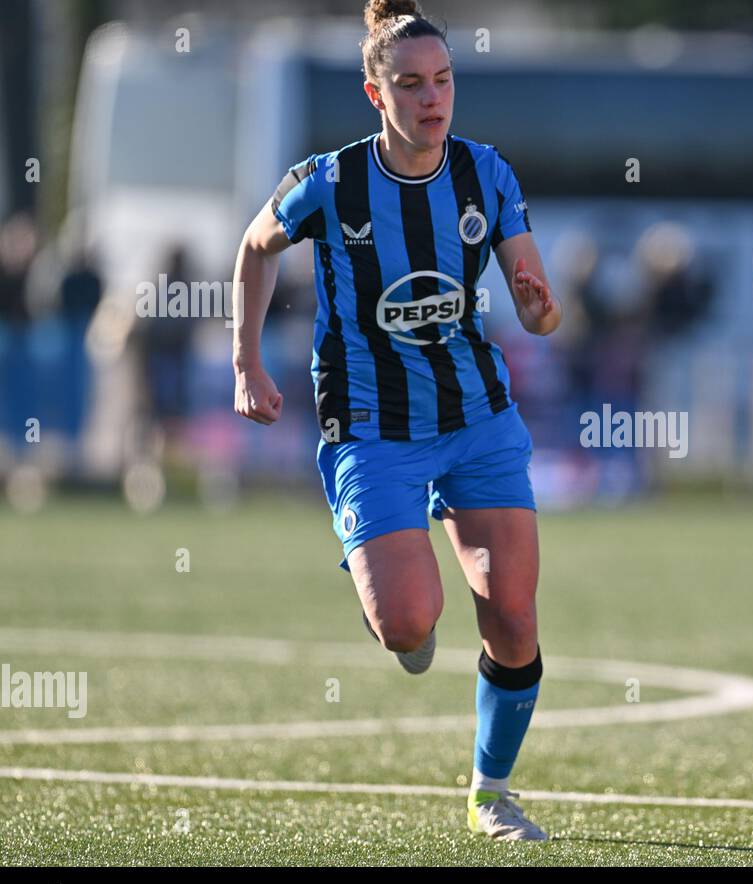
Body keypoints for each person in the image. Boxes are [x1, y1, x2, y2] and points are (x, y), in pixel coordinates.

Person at [230, 0, 561, 841]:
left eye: (443, 80)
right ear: (375, 92)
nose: (431, 98)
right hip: (370, 423)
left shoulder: (487, 173)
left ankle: (491, 791)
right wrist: (247, 362)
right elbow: (255, 248)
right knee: (410, 625)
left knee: (514, 616)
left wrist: (539, 308)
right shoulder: (328, 181)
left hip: (476, 417)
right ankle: (389, 565)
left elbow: (538, 311)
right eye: (409, 84)